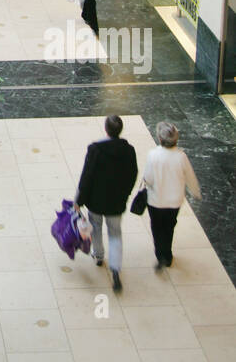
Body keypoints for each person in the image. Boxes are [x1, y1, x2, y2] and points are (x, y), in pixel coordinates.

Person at [75, 116, 137, 294]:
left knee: (95, 226)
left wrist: (79, 201)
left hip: (96, 200)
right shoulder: (129, 151)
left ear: (106, 129)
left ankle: (99, 255)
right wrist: (125, 193)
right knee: (115, 233)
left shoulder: (95, 150)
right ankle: (116, 269)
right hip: (116, 201)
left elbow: (86, 177)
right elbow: (133, 174)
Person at [141, 122, 202, 270]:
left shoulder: (153, 155)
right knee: (169, 228)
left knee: (156, 227)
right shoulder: (181, 157)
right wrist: (196, 192)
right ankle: (167, 256)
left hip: (155, 201)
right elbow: (190, 177)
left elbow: (147, 179)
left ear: (160, 139)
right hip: (174, 202)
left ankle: (160, 254)